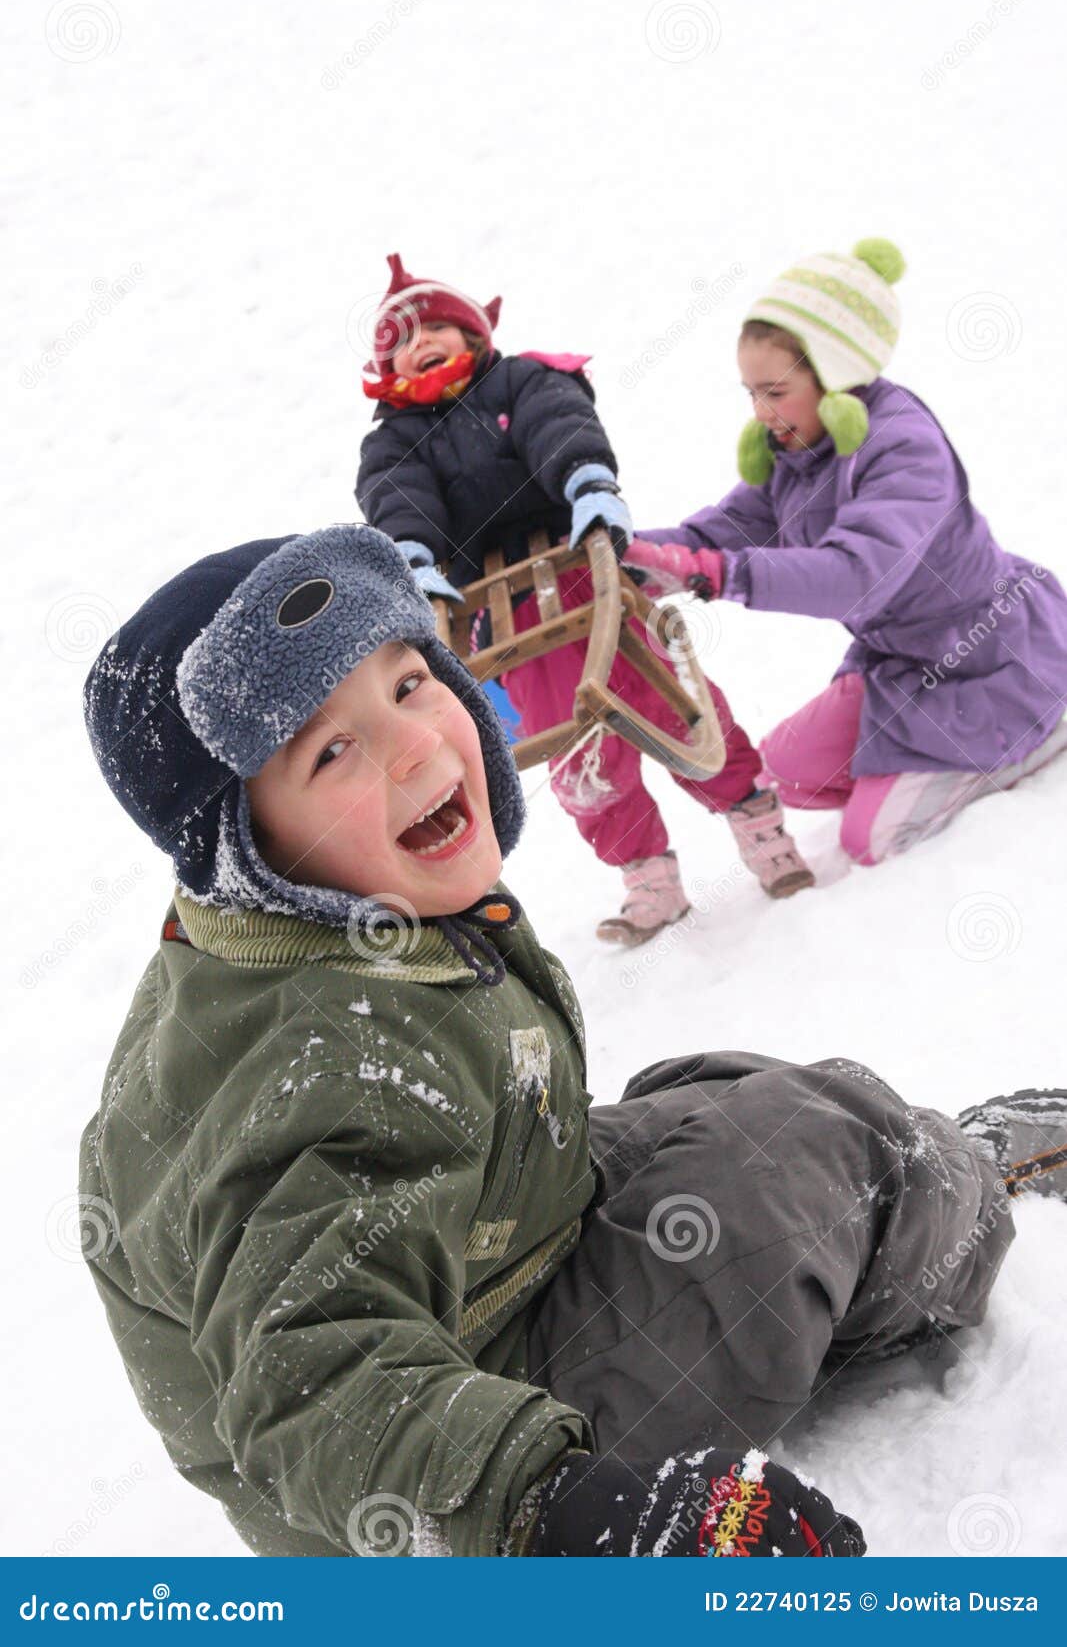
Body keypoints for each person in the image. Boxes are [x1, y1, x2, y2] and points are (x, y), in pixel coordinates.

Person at [79, 525, 1065, 1558]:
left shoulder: (309, 928)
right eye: (332, 750)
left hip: (495, 1265)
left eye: (409, 684)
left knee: (709, 1094)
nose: (412, 745)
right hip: (444, 1494)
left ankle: (899, 1188)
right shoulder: (325, 1063)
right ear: (250, 851)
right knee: (798, 1164)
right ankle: (940, 1194)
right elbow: (309, 1375)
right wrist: (558, 1507)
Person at [355, 253, 813, 944]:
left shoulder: (518, 380)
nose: (419, 343)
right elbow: (397, 496)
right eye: (400, 342)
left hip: (577, 567)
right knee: (576, 751)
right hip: (498, 604)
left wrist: (586, 483)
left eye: (432, 328)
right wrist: (412, 558)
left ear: (472, 333)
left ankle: (755, 820)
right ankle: (646, 875)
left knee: (664, 699)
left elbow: (556, 423)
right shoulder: (395, 438)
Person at [626, 239, 1067, 865]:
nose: (760, 412)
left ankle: (1035, 732)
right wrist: (632, 550)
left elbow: (855, 576)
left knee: (873, 838)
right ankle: (920, 765)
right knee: (787, 768)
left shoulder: (901, 445)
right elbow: (720, 531)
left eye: (775, 391)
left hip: (989, 657)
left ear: (834, 375)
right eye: (750, 393)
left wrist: (718, 576)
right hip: (905, 663)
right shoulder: (799, 451)